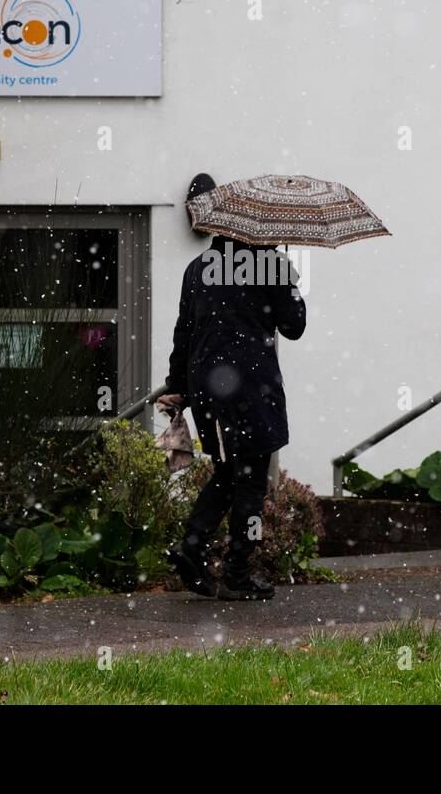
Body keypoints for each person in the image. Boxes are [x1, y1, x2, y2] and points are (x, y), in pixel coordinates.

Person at [159, 177, 306, 601]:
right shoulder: (271, 266)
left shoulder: (198, 268)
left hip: (208, 390)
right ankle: (236, 571)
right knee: (249, 481)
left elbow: (183, 333)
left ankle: (193, 550)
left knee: (228, 473)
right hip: (251, 390)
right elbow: (294, 326)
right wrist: (288, 281)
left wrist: (177, 386)